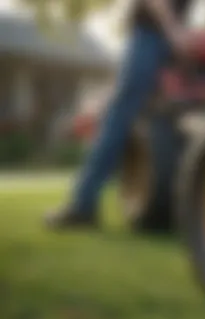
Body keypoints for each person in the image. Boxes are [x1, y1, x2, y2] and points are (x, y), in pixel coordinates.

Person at [45, 0, 193, 229]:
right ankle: (83, 205)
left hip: (165, 39)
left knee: (161, 119)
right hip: (152, 35)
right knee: (119, 118)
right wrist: (175, 31)